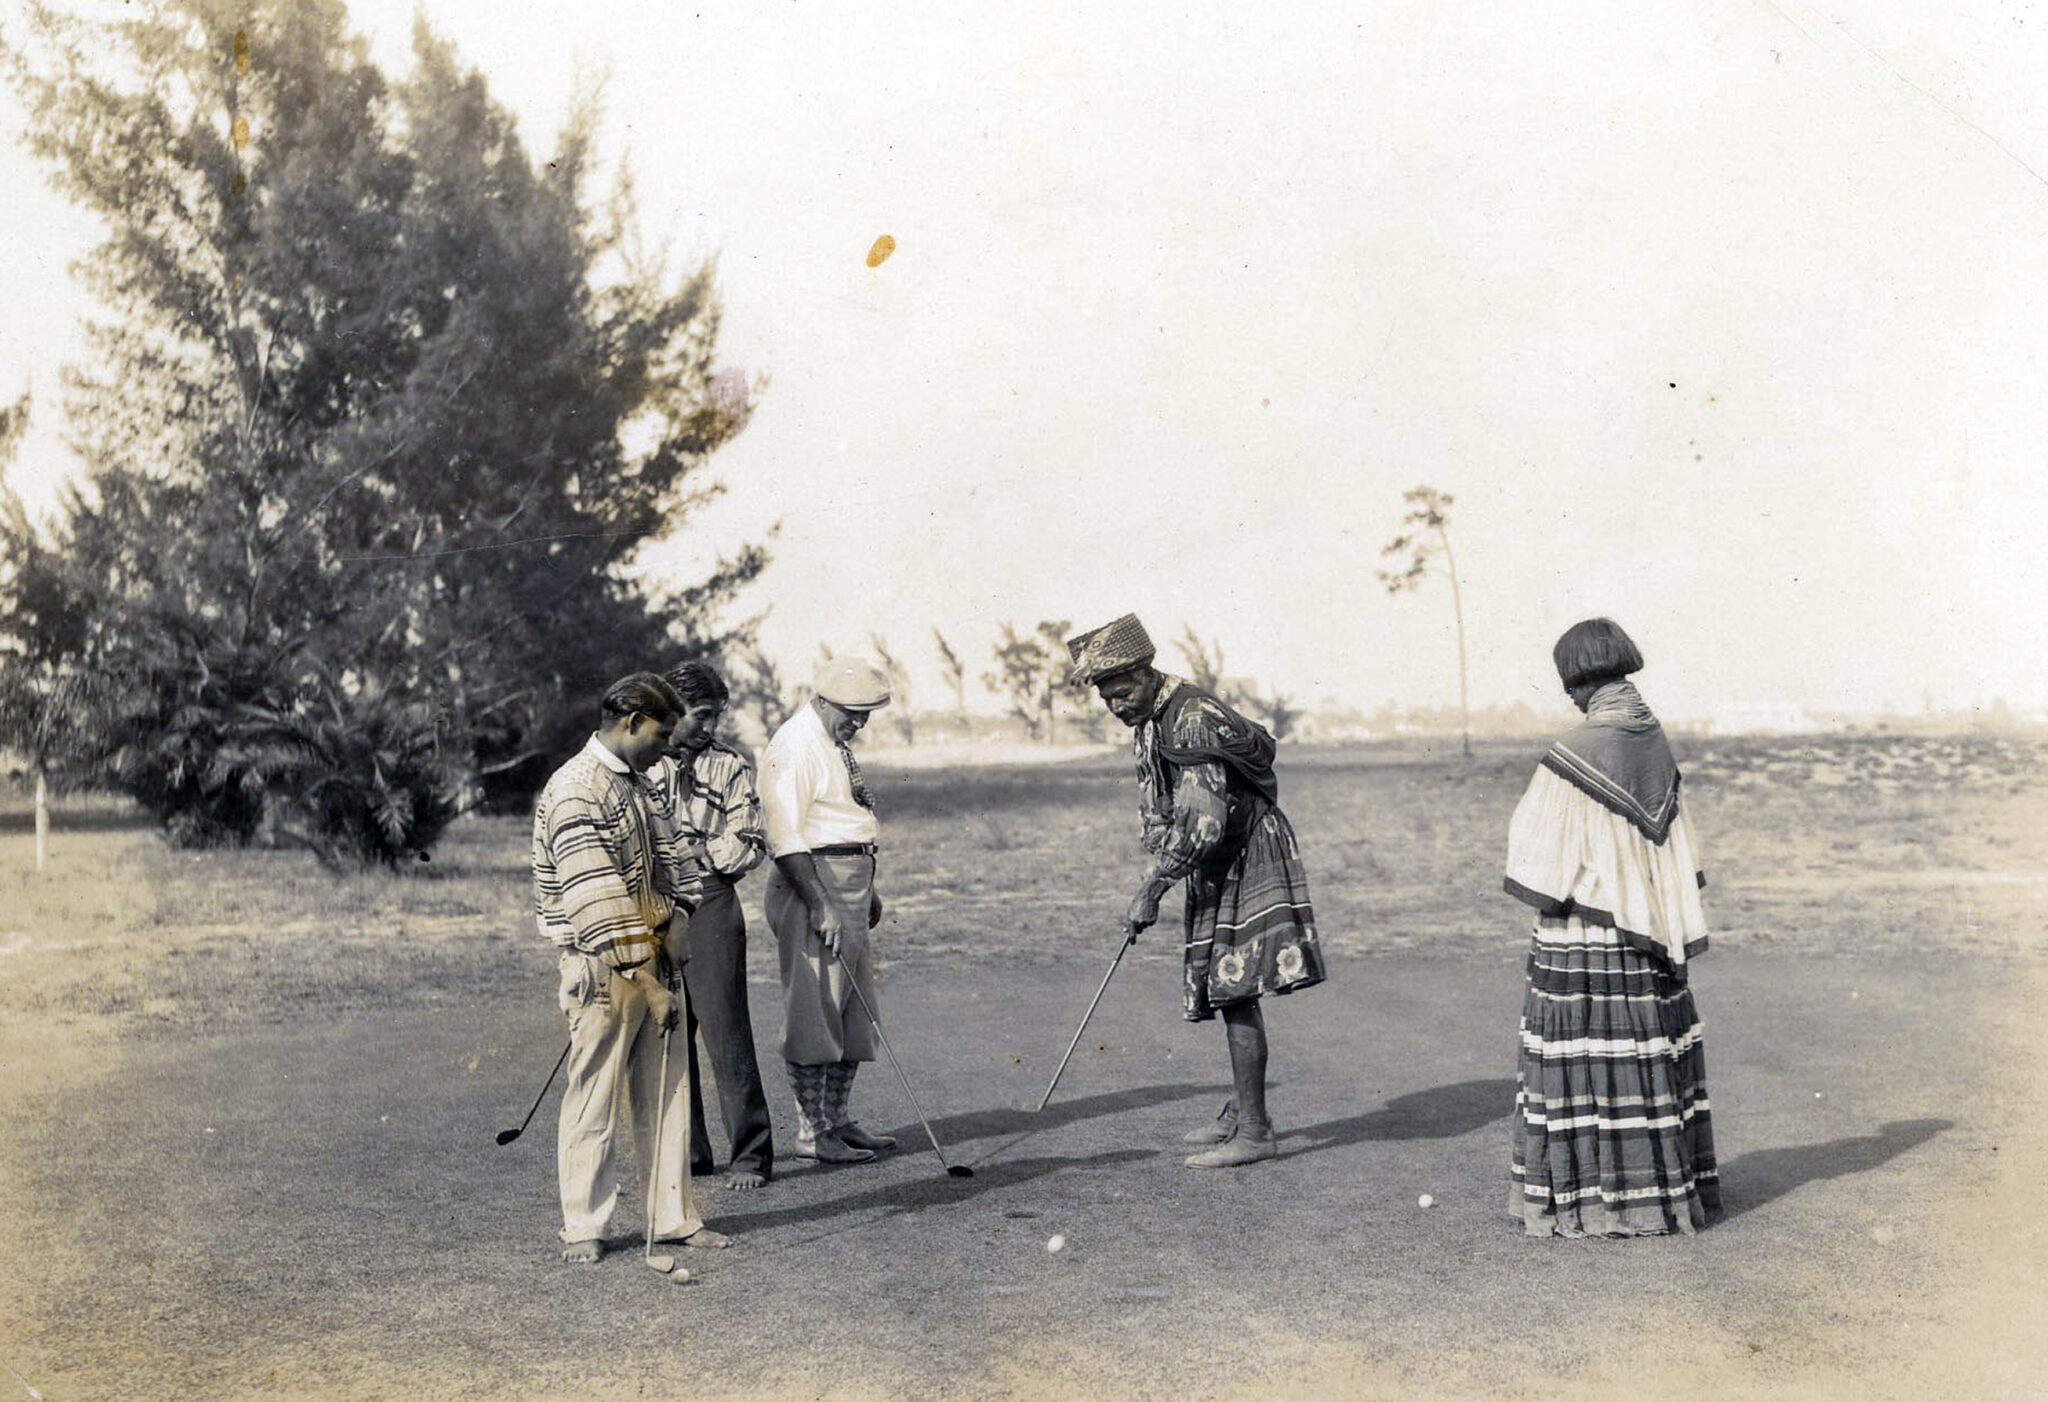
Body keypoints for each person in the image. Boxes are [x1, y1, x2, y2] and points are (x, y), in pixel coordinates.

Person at [1068, 614, 1327, 1168]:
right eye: (1106, 698)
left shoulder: (1188, 719)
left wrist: (1154, 887)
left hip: (1246, 848)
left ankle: (1255, 1131)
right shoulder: (1149, 718)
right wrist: (1158, 865)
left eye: (1123, 691)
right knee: (1225, 979)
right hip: (1215, 857)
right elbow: (1158, 806)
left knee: (1234, 985)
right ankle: (1243, 1110)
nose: (1116, 705)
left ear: (1145, 669)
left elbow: (1204, 823)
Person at [1502, 618, 1721, 1237]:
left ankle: (1590, 1203)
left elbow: (1537, 853)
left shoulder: (1575, 750)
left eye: (1569, 684)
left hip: (1589, 932)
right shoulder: (1654, 741)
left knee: (1582, 1058)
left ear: (1580, 681)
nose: (1568, 696)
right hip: (1646, 934)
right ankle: (1660, 1198)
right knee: (1642, 1056)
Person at [530, 671, 732, 1263]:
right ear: (629, 722)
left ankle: (672, 1217)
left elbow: (674, 856)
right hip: (603, 968)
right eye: (662, 733)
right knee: (594, 1098)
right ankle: (584, 1226)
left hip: (656, 958)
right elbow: (595, 898)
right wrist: (646, 979)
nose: (670, 745)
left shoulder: (643, 781)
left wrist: (682, 918)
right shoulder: (574, 789)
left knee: (668, 1092)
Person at [758, 656, 898, 1164]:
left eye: (866, 714)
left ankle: (837, 1120)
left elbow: (846, 819)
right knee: (814, 1011)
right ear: (820, 700)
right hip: (812, 884)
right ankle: (810, 1133)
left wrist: (868, 888)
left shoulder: (832, 743)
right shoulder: (793, 747)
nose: (859, 723)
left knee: (853, 1009)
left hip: (851, 882)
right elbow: (787, 838)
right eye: (851, 712)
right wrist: (821, 905)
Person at [648, 660, 776, 1192]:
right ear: (671, 712)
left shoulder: (730, 765)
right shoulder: (642, 764)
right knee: (670, 1031)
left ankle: (751, 1154)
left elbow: (749, 840)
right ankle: (691, 1151)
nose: (709, 727)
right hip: (653, 906)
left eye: (716, 716)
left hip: (711, 903)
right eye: (701, 716)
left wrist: (696, 855)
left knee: (725, 1031)